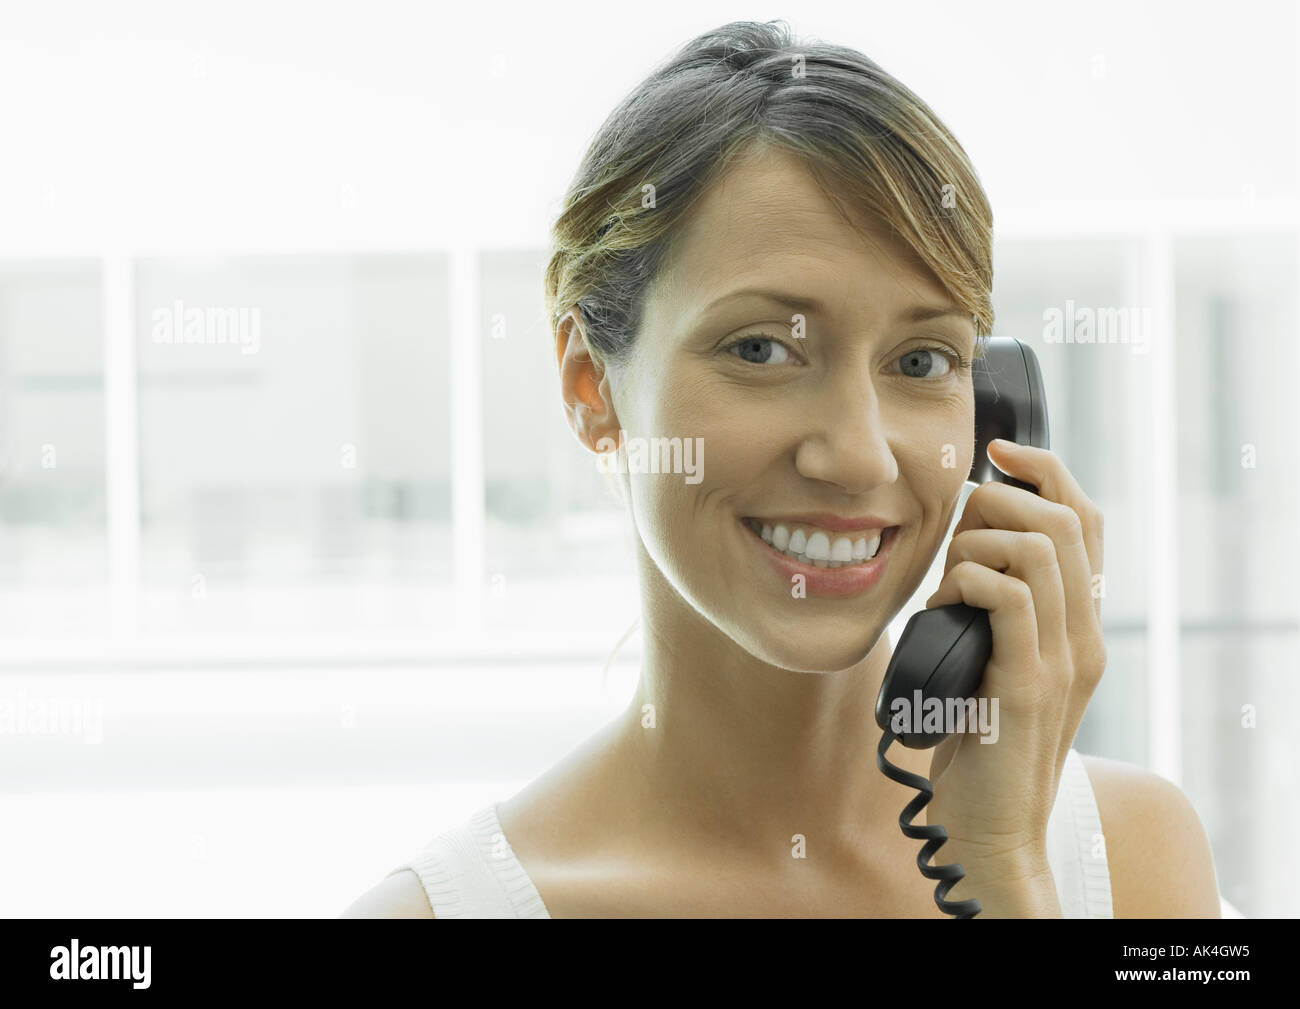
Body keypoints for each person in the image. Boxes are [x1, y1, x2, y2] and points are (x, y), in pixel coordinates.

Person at [343, 19, 1221, 918]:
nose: (858, 455)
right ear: (591, 387)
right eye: (761, 348)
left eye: (921, 361)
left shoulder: (1139, 858)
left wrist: (1006, 875)